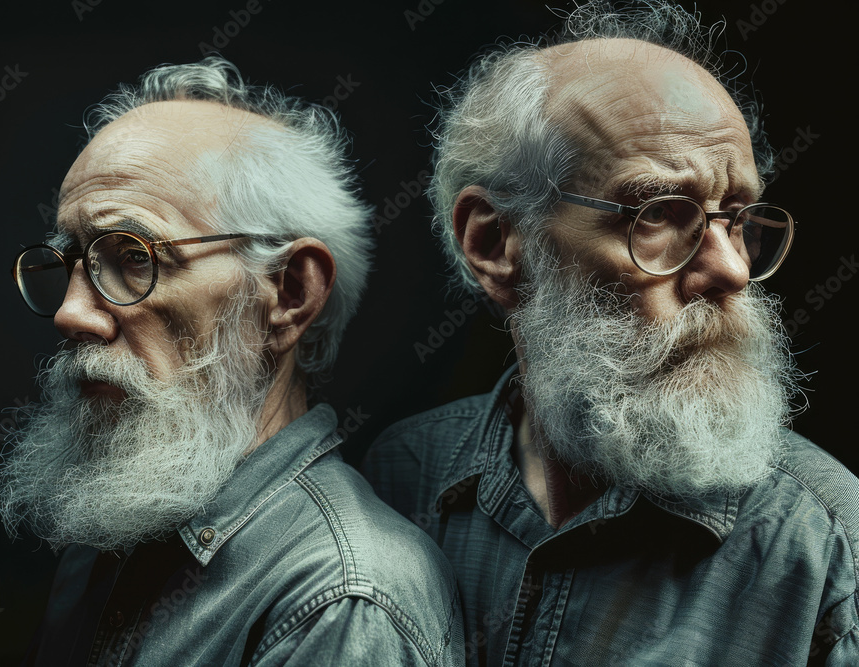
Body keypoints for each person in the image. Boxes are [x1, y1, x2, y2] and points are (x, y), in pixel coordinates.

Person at [363, 1, 858, 665]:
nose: (733, 269)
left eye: (737, 217)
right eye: (659, 214)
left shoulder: (829, 548)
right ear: (495, 242)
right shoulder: (404, 473)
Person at [0, 57, 463, 666]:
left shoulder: (344, 600)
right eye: (71, 260)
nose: (71, 314)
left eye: (133, 256)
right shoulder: (110, 532)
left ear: (288, 294)